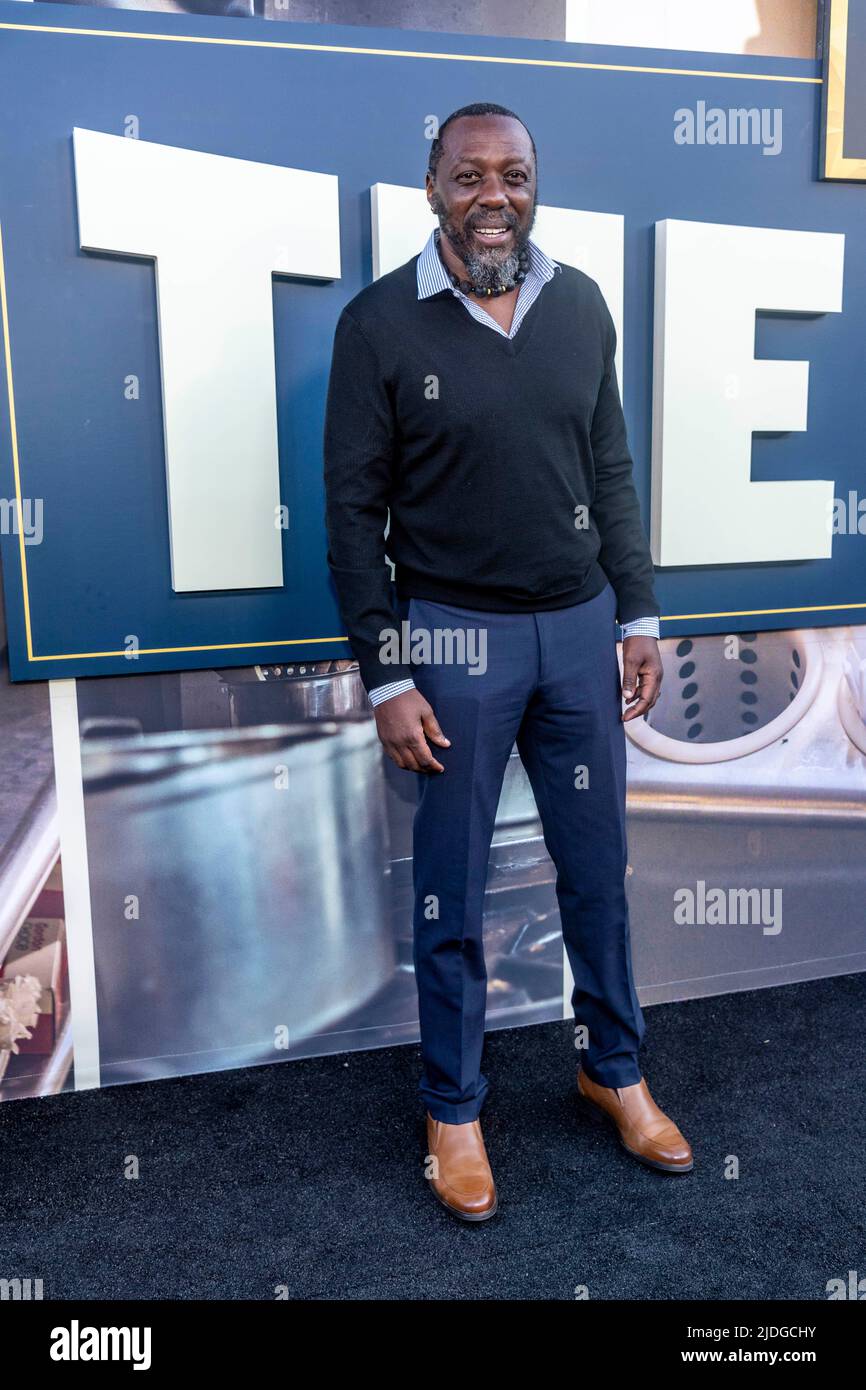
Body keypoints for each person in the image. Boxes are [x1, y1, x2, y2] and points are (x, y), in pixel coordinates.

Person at [323, 102, 693, 1223]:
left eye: (516, 176)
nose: (495, 196)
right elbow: (349, 516)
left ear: (535, 185)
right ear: (431, 185)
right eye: (470, 175)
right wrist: (388, 673)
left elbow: (612, 469)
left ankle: (612, 1070)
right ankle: (452, 1106)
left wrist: (634, 611)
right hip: (449, 641)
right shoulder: (380, 325)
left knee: (596, 875)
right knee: (453, 892)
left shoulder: (577, 306)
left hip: (578, 631)